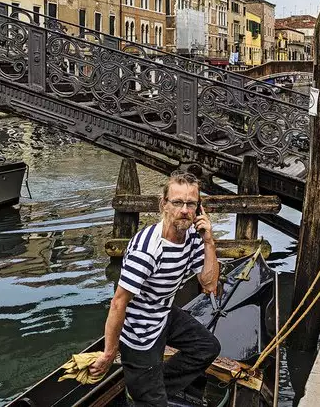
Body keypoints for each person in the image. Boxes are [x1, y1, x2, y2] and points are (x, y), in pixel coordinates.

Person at [89, 170, 221, 406]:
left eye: (191, 204)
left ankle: (152, 386)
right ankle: (146, 393)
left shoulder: (192, 234)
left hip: (163, 313)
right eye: (178, 202)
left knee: (207, 347)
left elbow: (209, 285)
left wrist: (209, 241)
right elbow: (119, 302)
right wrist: (110, 353)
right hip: (139, 332)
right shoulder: (148, 250)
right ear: (164, 204)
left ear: (199, 208)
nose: (184, 210)